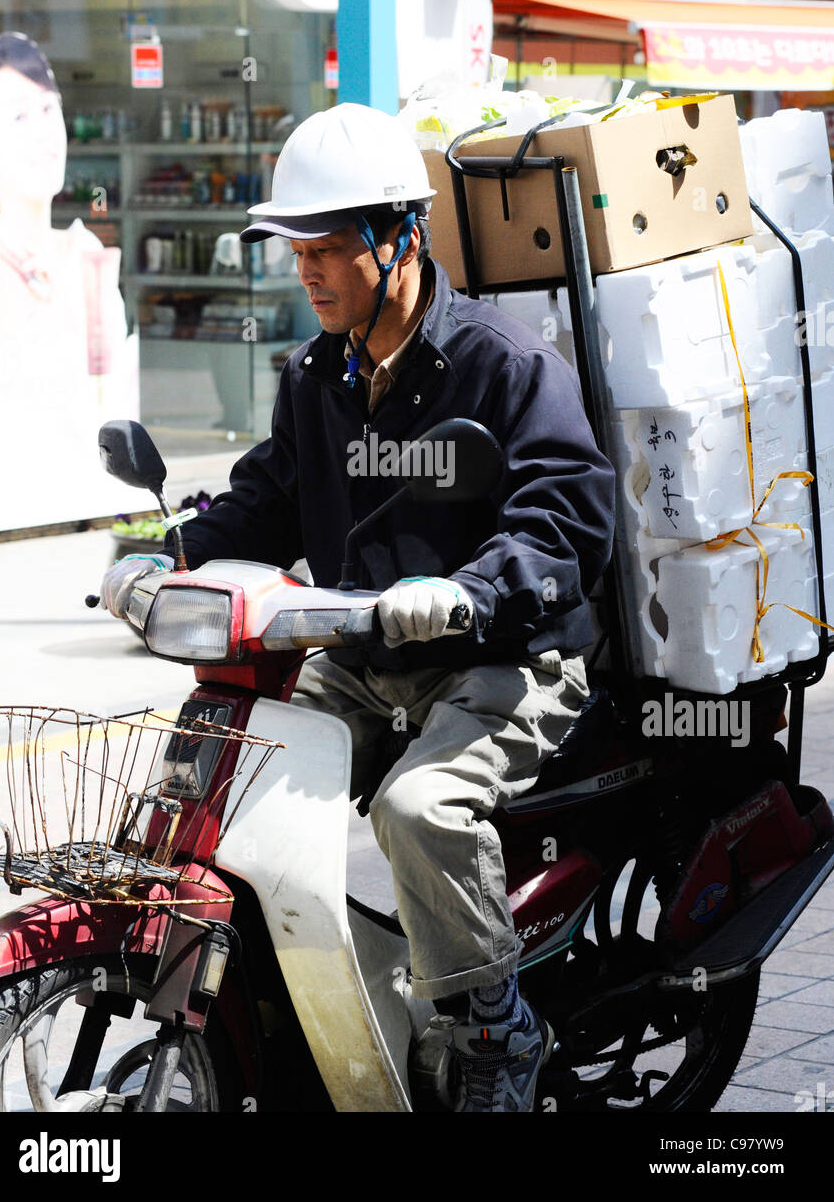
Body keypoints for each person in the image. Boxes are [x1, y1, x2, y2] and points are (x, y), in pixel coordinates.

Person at [101, 102, 615, 1112]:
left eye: (330, 248)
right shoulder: (316, 376)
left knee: (416, 808)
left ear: (400, 238)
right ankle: (249, 987)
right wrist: (159, 559)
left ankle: (491, 1027)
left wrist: (463, 593)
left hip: (502, 657)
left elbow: (567, 522)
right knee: (214, 769)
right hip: (360, 652)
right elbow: (263, 498)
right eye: (298, 251)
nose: (308, 272)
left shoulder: (503, 366)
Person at [0, 31, 137, 528]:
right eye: (20, 116)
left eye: (50, 109)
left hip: (84, 513)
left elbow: (110, 404)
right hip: (4, 519)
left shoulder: (84, 255)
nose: (44, 132)